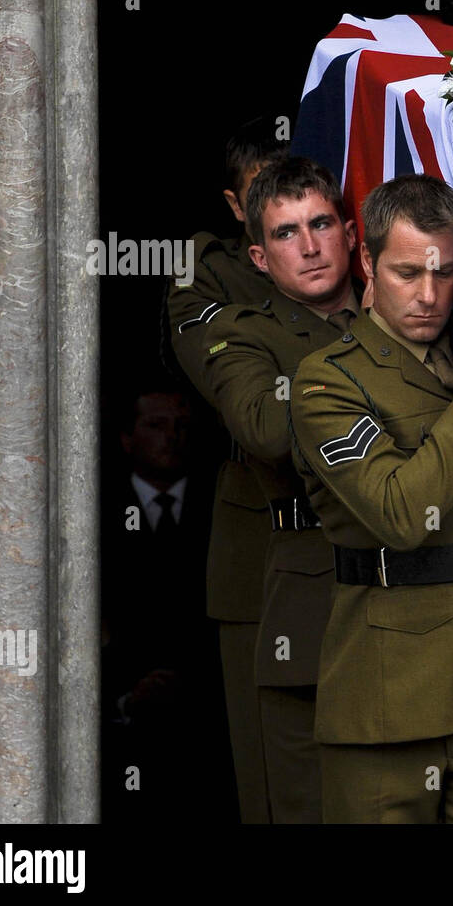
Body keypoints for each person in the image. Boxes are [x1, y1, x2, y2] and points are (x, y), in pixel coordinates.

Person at [289, 174, 453, 823]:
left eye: (445, 273)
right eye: (409, 273)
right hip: (390, 692)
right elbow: (400, 513)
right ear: (368, 264)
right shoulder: (328, 380)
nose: (430, 296)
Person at [200, 156, 361, 823]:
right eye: (288, 233)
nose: (311, 246)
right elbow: (266, 429)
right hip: (314, 601)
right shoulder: (242, 333)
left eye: (321, 223)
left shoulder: (423, 318)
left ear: (351, 232)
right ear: (261, 259)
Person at [166, 116, 286, 822]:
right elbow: (241, 396)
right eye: (262, 193)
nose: (283, 211)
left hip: (363, 540)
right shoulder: (204, 271)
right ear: (236, 206)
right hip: (259, 541)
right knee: (271, 779)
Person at [101, 377, 234, 823]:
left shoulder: (223, 509)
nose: (172, 436)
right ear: (126, 437)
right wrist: (122, 697)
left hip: (207, 721)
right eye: (157, 424)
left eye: (181, 425)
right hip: (116, 724)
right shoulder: (89, 514)